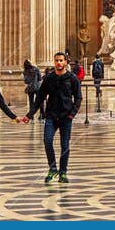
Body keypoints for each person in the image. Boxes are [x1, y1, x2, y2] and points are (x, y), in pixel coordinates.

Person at [25, 50, 82, 184]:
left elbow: (78, 98)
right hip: (51, 115)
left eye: (61, 60)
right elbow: (39, 99)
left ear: (66, 62)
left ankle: (63, 172)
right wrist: (29, 115)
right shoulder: (49, 78)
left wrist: (72, 114)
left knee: (65, 145)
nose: (59, 63)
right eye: (56, 60)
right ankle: (53, 168)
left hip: (66, 116)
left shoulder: (73, 78)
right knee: (47, 141)